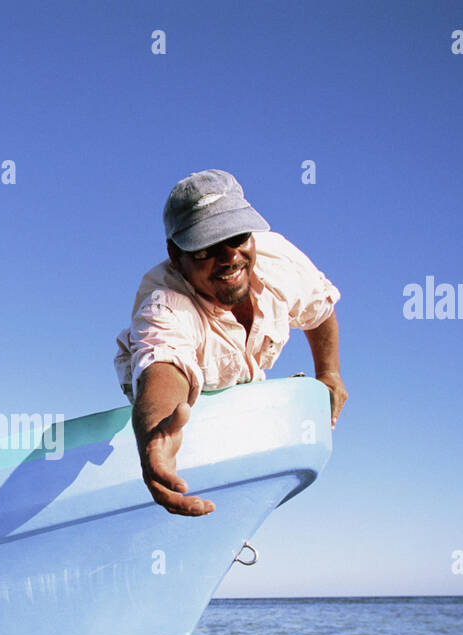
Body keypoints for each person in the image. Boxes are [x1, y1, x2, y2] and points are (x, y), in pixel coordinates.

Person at [114, 169, 347, 516]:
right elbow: (164, 364)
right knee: (165, 412)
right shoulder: (164, 303)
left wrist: (329, 372)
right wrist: (155, 433)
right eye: (206, 247)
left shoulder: (278, 258)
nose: (230, 257)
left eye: (237, 236)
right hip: (179, 398)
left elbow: (319, 311)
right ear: (176, 256)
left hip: (243, 378)